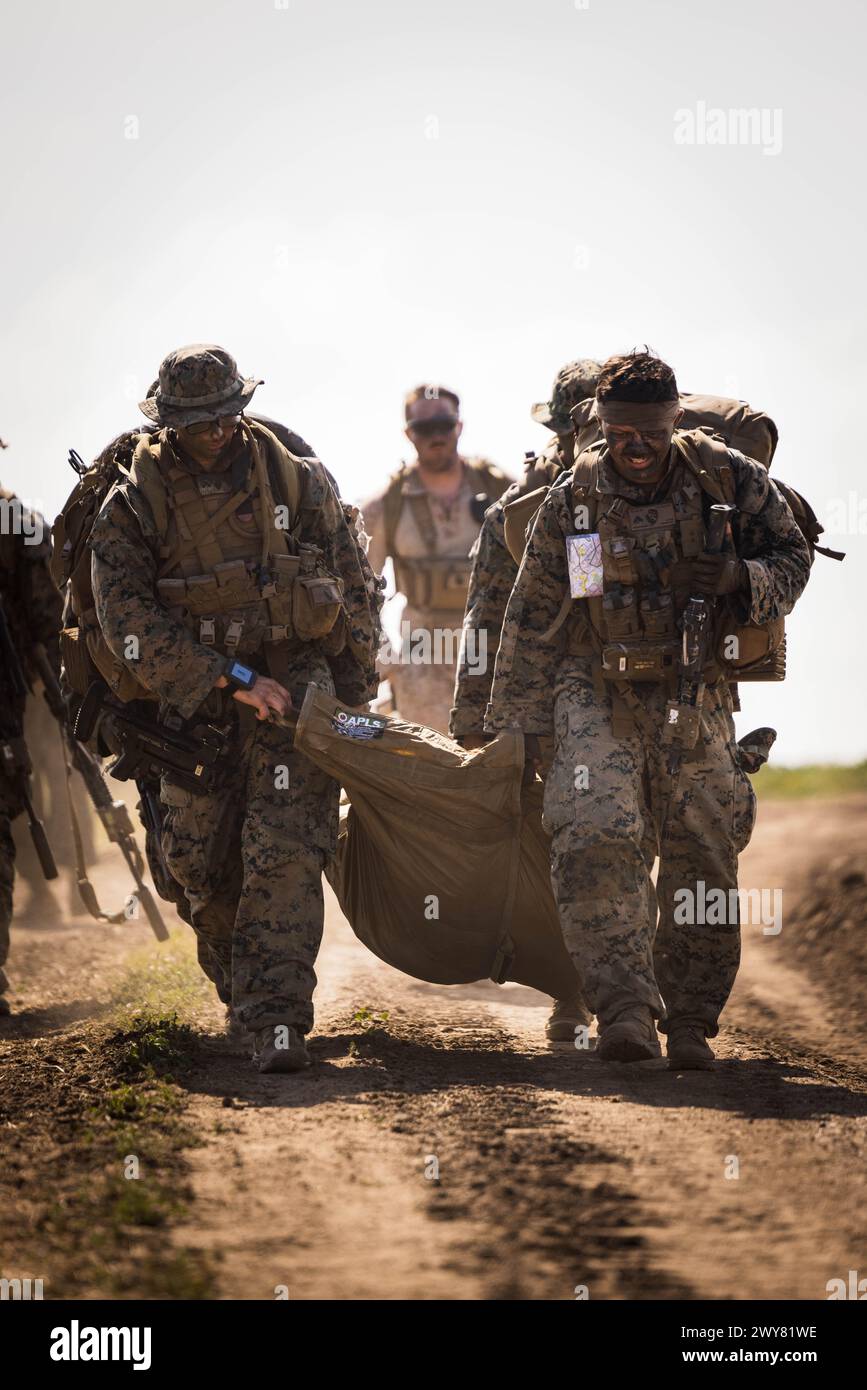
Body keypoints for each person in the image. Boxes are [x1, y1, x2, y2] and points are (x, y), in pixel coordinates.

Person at [485, 350, 811, 1070]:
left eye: (651, 435)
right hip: (593, 688)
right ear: (601, 424)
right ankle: (624, 1010)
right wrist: (519, 732)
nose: (635, 449)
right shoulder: (574, 496)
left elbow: (792, 553)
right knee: (594, 835)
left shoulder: (725, 478)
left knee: (703, 854)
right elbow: (532, 613)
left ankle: (691, 1018)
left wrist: (738, 574)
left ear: (672, 421)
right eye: (620, 433)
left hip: (693, 690)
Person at [88, 344, 379, 1072]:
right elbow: (124, 618)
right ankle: (240, 986)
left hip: (295, 700)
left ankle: (277, 1018)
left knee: (284, 857)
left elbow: (354, 582)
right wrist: (226, 675)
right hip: (187, 713)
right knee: (199, 870)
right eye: (196, 421)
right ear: (168, 421)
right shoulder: (133, 503)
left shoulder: (298, 481)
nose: (214, 431)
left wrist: (355, 695)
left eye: (225, 416)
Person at [450, 359, 602, 1043]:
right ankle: (574, 992)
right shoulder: (519, 509)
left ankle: (620, 983)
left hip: (641, 694)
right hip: (545, 700)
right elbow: (484, 618)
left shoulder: (664, 488)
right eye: (585, 428)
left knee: (626, 842)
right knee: (560, 842)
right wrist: (473, 720)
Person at [362, 385, 507, 731]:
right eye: (425, 429)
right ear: (409, 434)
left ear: (459, 426)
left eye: (444, 424)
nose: (436, 436)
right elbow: (359, 591)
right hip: (422, 660)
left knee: (497, 770)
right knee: (431, 772)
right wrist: (387, 658)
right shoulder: (385, 506)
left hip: (493, 654)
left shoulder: (502, 490)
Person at [0, 479, 63, 1015]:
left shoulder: (16, 520)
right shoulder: (17, 519)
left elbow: (47, 619)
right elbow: (48, 618)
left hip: (13, 688)